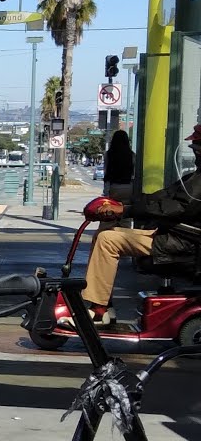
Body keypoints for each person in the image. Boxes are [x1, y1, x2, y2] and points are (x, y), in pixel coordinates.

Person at [78, 124, 201, 325]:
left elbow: (176, 207)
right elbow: (162, 197)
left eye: (196, 149)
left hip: (183, 241)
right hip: (176, 235)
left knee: (108, 239)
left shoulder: (199, 181)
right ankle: (103, 304)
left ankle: (99, 309)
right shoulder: (193, 178)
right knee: (106, 234)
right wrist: (126, 205)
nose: (195, 154)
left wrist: (125, 210)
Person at [104, 129, 134, 202]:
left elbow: (106, 173)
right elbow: (134, 174)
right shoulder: (132, 155)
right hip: (129, 188)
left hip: (114, 188)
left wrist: (106, 192)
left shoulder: (108, 154)